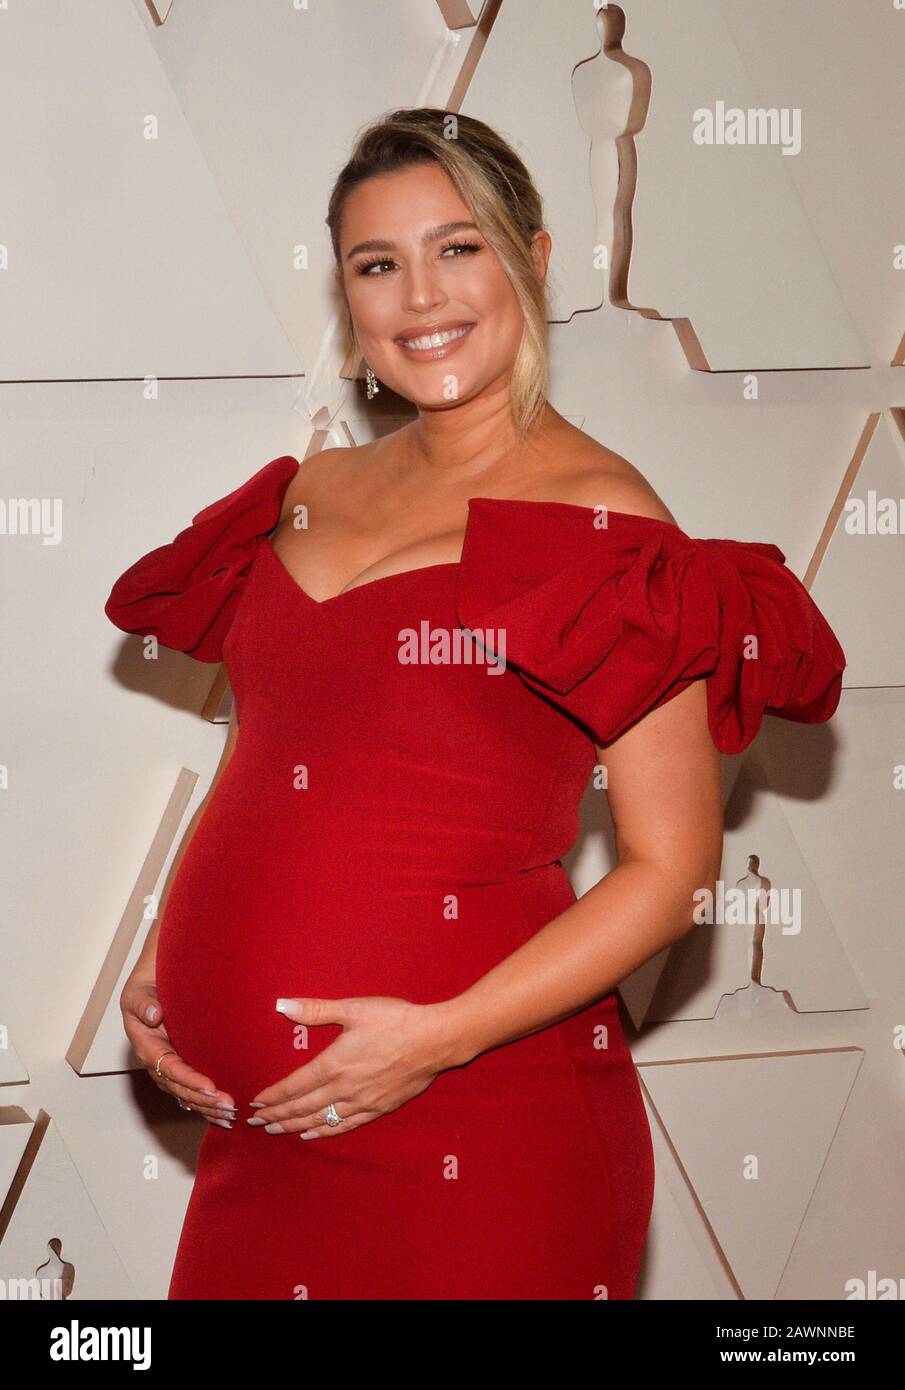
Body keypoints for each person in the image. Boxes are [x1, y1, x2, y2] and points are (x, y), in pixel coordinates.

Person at [105, 108, 846, 1300]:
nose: (419, 296)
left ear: (533, 261)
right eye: (376, 264)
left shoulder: (609, 526)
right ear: (346, 297)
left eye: (458, 248)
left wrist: (433, 1037)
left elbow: (669, 870)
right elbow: (278, 752)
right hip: (267, 1140)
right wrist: (171, 960)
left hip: (479, 1126)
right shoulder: (307, 492)